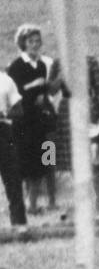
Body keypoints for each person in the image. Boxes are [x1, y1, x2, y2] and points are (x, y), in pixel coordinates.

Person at [8, 25, 61, 213]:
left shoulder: (42, 64)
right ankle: (27, 205)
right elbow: (16, 95)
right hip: (24, 123)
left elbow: (48, 91)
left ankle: (50, 200)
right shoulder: (15, 67)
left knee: (48, 160)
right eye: (31, 41)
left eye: (38, 41)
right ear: (23, 43)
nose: (35, 45)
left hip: (44, 122)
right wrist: (34, 89)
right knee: (27, 164)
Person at [0, 64, 26, 226]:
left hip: (3, 130)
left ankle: (19, 224)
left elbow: (19, 110)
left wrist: (4, 113)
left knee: (12, 179)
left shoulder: (5, 80)